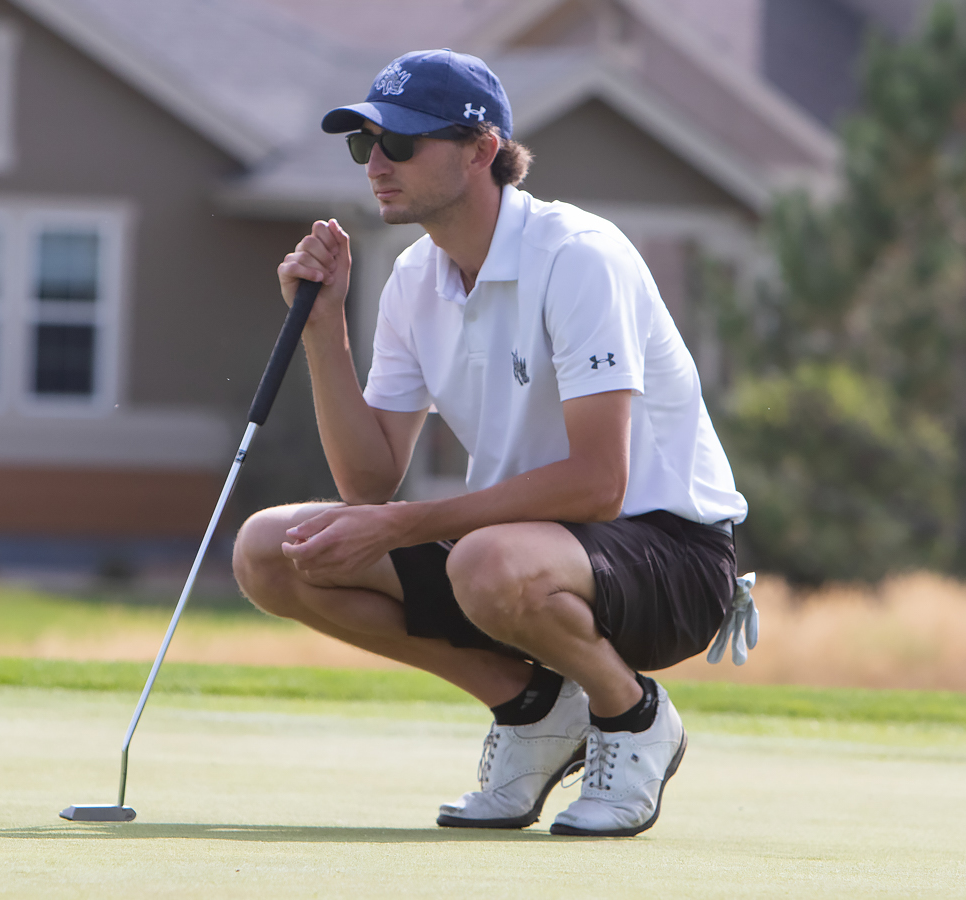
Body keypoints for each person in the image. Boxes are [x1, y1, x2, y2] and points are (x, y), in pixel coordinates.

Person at [232, 49, 747, 838]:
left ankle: (633, 715)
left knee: (483, 558)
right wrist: (325, 326)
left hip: (669, 557)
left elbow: (599, 484)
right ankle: (532, 704)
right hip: (511, 556)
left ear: (481, 150)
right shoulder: (412, 278)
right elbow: (369, 480)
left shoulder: (578, 255)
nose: (376, 164)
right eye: (364, 144)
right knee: (274, 548)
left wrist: (407, 525)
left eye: (400, 144)